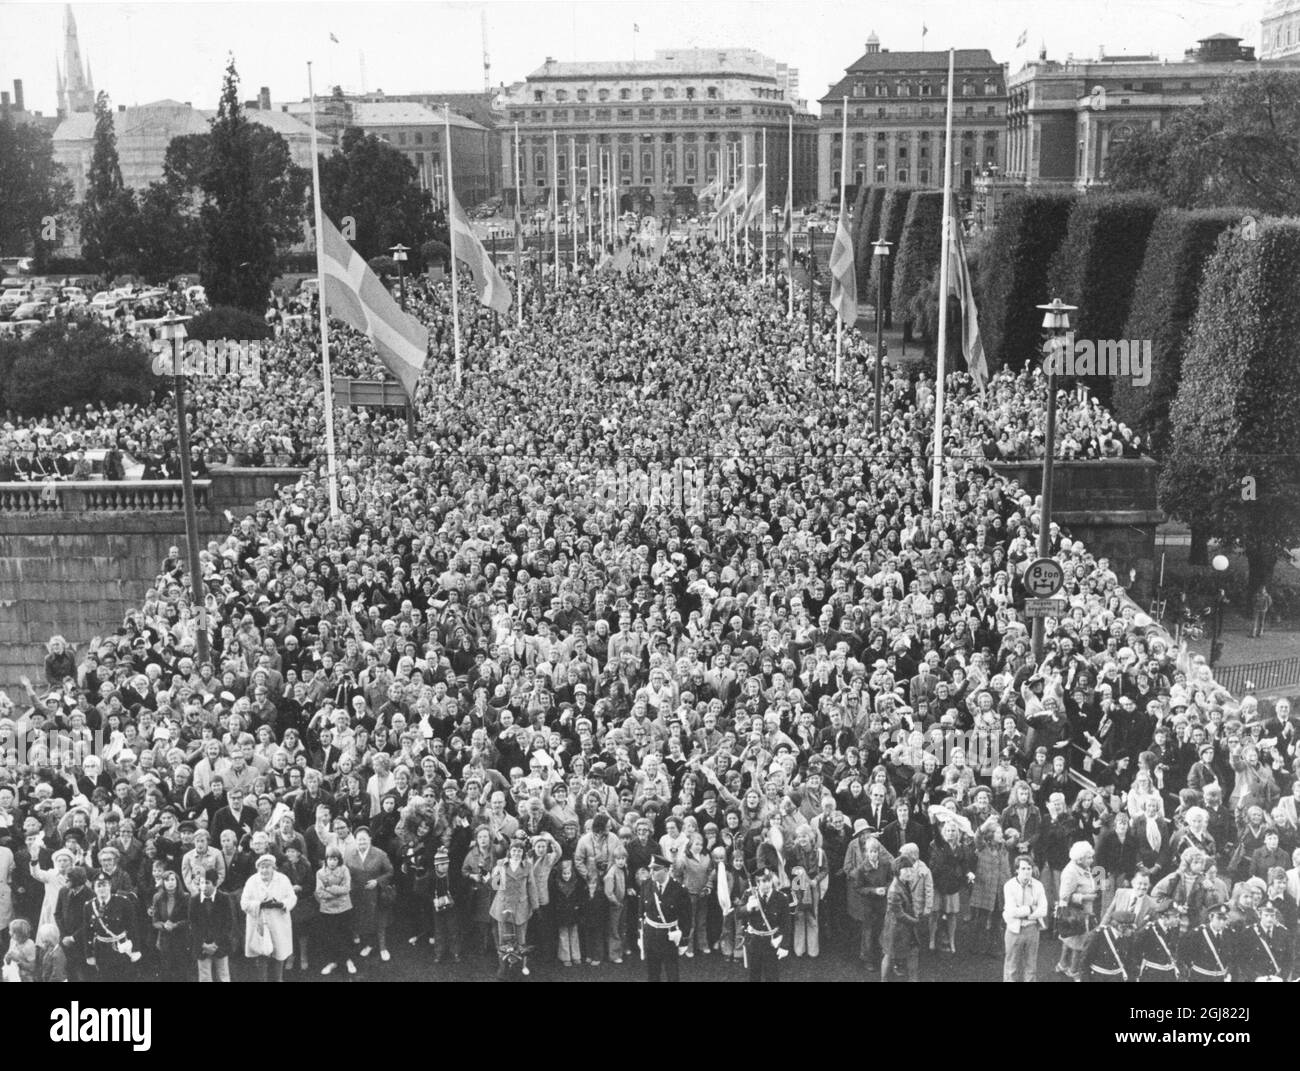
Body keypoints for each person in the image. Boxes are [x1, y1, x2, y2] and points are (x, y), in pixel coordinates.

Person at [240, 852, 297, 982]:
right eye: (262, 867)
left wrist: (281, 904)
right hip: (259, 924)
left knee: (279, 954)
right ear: (258, 868)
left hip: (278, 922)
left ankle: (278, 979)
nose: (265, 870)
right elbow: (244, 903)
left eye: (268, 867)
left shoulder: (282, 879)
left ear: (274, 868)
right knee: (261, 955)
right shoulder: (252, 881)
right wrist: (259, 904)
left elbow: (292, 898)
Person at [344, 826, 394, 964]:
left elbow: (390, 872)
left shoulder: (380, 854)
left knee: (379, 922)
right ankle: (369, 944)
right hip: (358, 894)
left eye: (364, 839)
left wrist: (377, 882)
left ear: (370, 839)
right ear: (355, 840)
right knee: (364, 921)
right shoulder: (349, 855)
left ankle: (383, 948)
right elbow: (346, 873)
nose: (362, 842)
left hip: (376, 894)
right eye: (359, 840)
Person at [490, 837, 538, 978]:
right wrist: (495, 875)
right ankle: (503, 968)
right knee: (503, 940)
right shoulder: (501, 864)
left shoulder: (528, 866)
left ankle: (519, 968)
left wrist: (535, 906)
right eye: (514, 850)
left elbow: (532, 886)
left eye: (519, 851)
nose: (516, 853)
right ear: (509, 852)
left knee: (520, 939)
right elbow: (496, 886)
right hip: (503, 906)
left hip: (521, 907)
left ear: (523, 853)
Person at [640, 854, 690, 982]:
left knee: (672, 972)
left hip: (669, 935)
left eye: (656, 869)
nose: (651, 872)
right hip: (651, 935)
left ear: (666, 870)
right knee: (653, 973)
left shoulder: (679, 890)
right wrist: (640, 934)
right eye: (651, 868)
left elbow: (686, 917)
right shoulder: (646, 885)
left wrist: (684, 939)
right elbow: (641, 912)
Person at [82, 874, 138, 981]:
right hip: (101, 950)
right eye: (98, 886)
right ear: (94, 888)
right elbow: (87, 932)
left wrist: (135, 950)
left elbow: (132, 927)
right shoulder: (89, 906)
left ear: (110, 886)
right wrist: (89, 954)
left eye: (104, 885)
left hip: (122, 948)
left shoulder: (123, 902)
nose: (102, 889)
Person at [1002, 854, 1047, 982]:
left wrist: (1024, 913)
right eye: (1023, 869)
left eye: (1029, 868)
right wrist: (1031, 909)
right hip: (1014, 930)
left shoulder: (1038, 885)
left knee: (1031, 966)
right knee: (1011, 967)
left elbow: (1043, 910)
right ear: (1016, 870)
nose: (1027, 871)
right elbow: (1011, 912)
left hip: (1032, 929)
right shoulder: (1009, 885)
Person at [740, 867, 790, 982]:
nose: (767, 884)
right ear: (757, 882)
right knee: (754, 975)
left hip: (772, 942)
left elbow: (786, 924)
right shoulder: (749, 895)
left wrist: (784, 945)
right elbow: (738, 914)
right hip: (754, 941)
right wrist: (747, 907)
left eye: (769, 880)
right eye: (763, 881)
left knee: (772, 975)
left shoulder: (781, 898)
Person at [314, 847, 355, 976]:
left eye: (335, 859)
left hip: (344, 907)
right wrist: (336, 892)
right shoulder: (320, 873)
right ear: (326, 860)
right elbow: (319, 892)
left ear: (339, 860)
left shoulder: (344, 870)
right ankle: (333, 961)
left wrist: (330, 888)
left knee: (346, 934)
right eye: (330, 859)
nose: (332, 862)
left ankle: (348, 960)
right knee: (330, 935)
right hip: (327, 910)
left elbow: (347, 888)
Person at [880, 855, 921, 982]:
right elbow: (899, 914)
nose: (909, 872)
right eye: (906, 870)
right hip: (897, 929)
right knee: (892, 953)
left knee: (891, 953)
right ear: (898, 871)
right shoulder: (894, 890)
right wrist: (915, 921)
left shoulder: (902, 884)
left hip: (898, 928)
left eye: (910, 869)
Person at [189, 869, 232, 982]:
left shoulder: (224, 898)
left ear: (215, 883)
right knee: (204, 977)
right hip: (202, 946)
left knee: (223, 976)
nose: (204, 886)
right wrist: (203, 944)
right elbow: (193, 925)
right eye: (201, 883)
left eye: (207, 882)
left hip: (220, 944)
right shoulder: (194, 900)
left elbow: (228, 924)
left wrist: (215, 944)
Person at [1179, 903, 1233, 982]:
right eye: (1219, 918)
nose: (1222, 922)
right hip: (1200, 978)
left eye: (1224, 919)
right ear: (1211, 917)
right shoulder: (1197, 933)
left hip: (1221, 978)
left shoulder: (1229, 935)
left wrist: (1229, 974)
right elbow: (1183, 955)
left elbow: (1232, 959)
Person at [1079, 909, 1135, 982]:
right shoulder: (1098, 936)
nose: (1132, 931)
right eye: (1130, 928)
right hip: (1098, 978)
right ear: (1120, 927)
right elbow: (1084, 962)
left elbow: (1129, 961)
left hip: (1117, 978)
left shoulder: (1127, 938)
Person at [1135, 901, 1183, 981]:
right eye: (1175, 917)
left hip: (1169, 973)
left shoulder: (1174, 928)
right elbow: (1136, 952)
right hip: (1152, 973)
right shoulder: (1148, 930)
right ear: (1164, 917)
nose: (1178, 920)